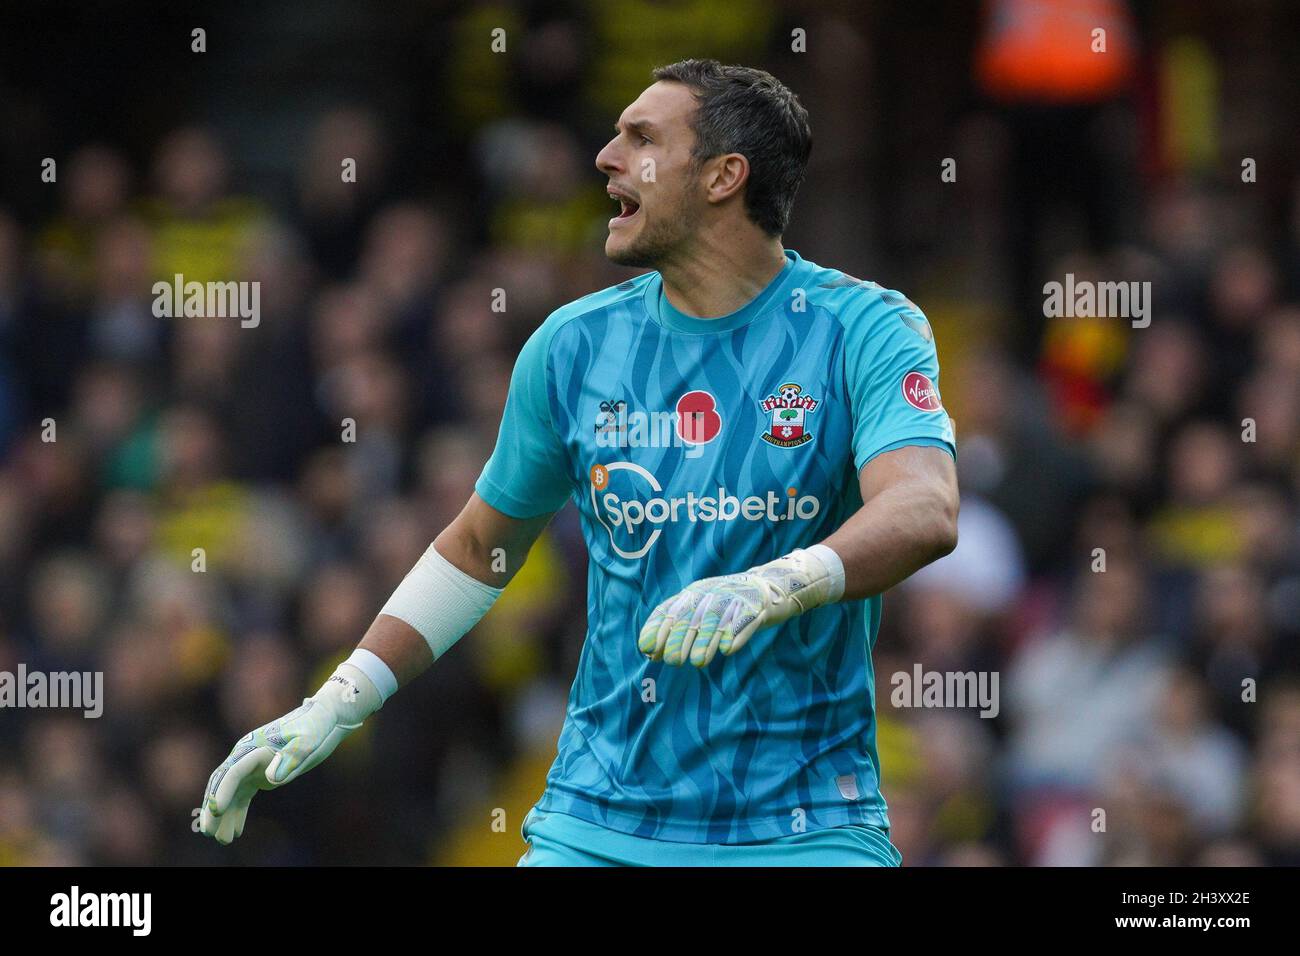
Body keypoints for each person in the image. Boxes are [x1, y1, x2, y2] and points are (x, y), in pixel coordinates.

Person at [199, 58, 959, 866]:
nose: (605, 156)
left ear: (723, 177)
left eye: (641, 138)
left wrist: (781, 582)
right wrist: (341, 698)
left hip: (803, 827)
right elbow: (477, 547)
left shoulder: (863, 328)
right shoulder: (571, 346)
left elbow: (924, 508)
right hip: (596, 825)